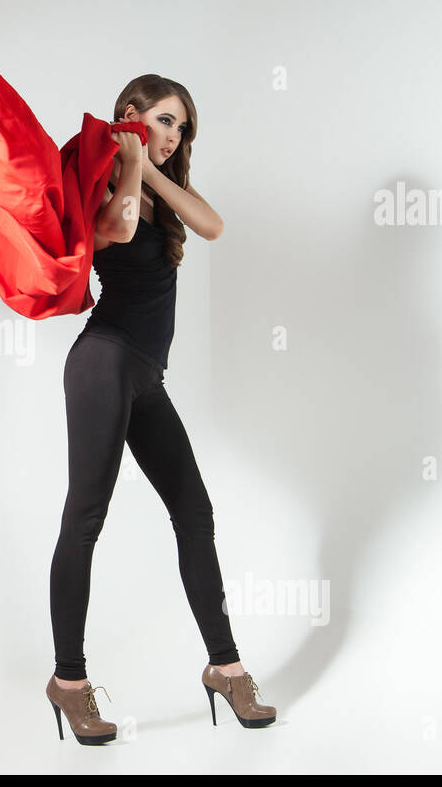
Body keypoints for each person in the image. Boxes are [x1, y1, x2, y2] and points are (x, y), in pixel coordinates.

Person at [45, 75, 277, 745]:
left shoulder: (159, 186)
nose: (174, 136)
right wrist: (128, 169)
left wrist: (147, 164)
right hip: (103, 363)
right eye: (165, 121)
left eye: (182, 129)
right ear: (128, 116)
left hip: (146, 375)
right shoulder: (100, 184)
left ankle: (225, 669)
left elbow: (214, 224)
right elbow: (113, 229)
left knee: (194, 511)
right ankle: (69, 682)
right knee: (86, 516)